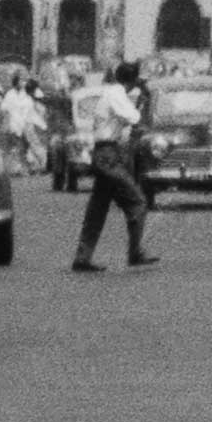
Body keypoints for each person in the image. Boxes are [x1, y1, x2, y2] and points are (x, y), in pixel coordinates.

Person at [70, 61, 158, 272]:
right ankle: (135, 252)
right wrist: (144, 98)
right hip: (109, 155)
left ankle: (83, 257)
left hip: (105, 153)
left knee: (97, 209)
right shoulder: (116, 94)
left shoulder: (111, 93)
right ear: (133, 79)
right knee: (137, 201)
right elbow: (134, 118)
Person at [0, 74, 46, 173]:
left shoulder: (28, 93)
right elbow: (4, 108)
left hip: (28, 123)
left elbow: (36, 103)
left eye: (24, 81)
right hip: (16, 125)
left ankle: (43, 164)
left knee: (35, 144)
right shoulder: (10, 94)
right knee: (21, 148)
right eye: (21, 81)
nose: (23, 83)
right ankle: (26, 168)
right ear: (16, 82)